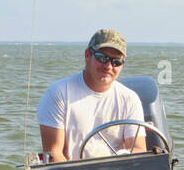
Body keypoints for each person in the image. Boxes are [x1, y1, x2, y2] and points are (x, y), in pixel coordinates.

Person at [37, 29, 147, 162]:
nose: (108, 66)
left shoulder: (130, 99)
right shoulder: (58, 93)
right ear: (87, 55)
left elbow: (139, 150)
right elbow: (53, 154)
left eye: (116, 62)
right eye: (102, 58)